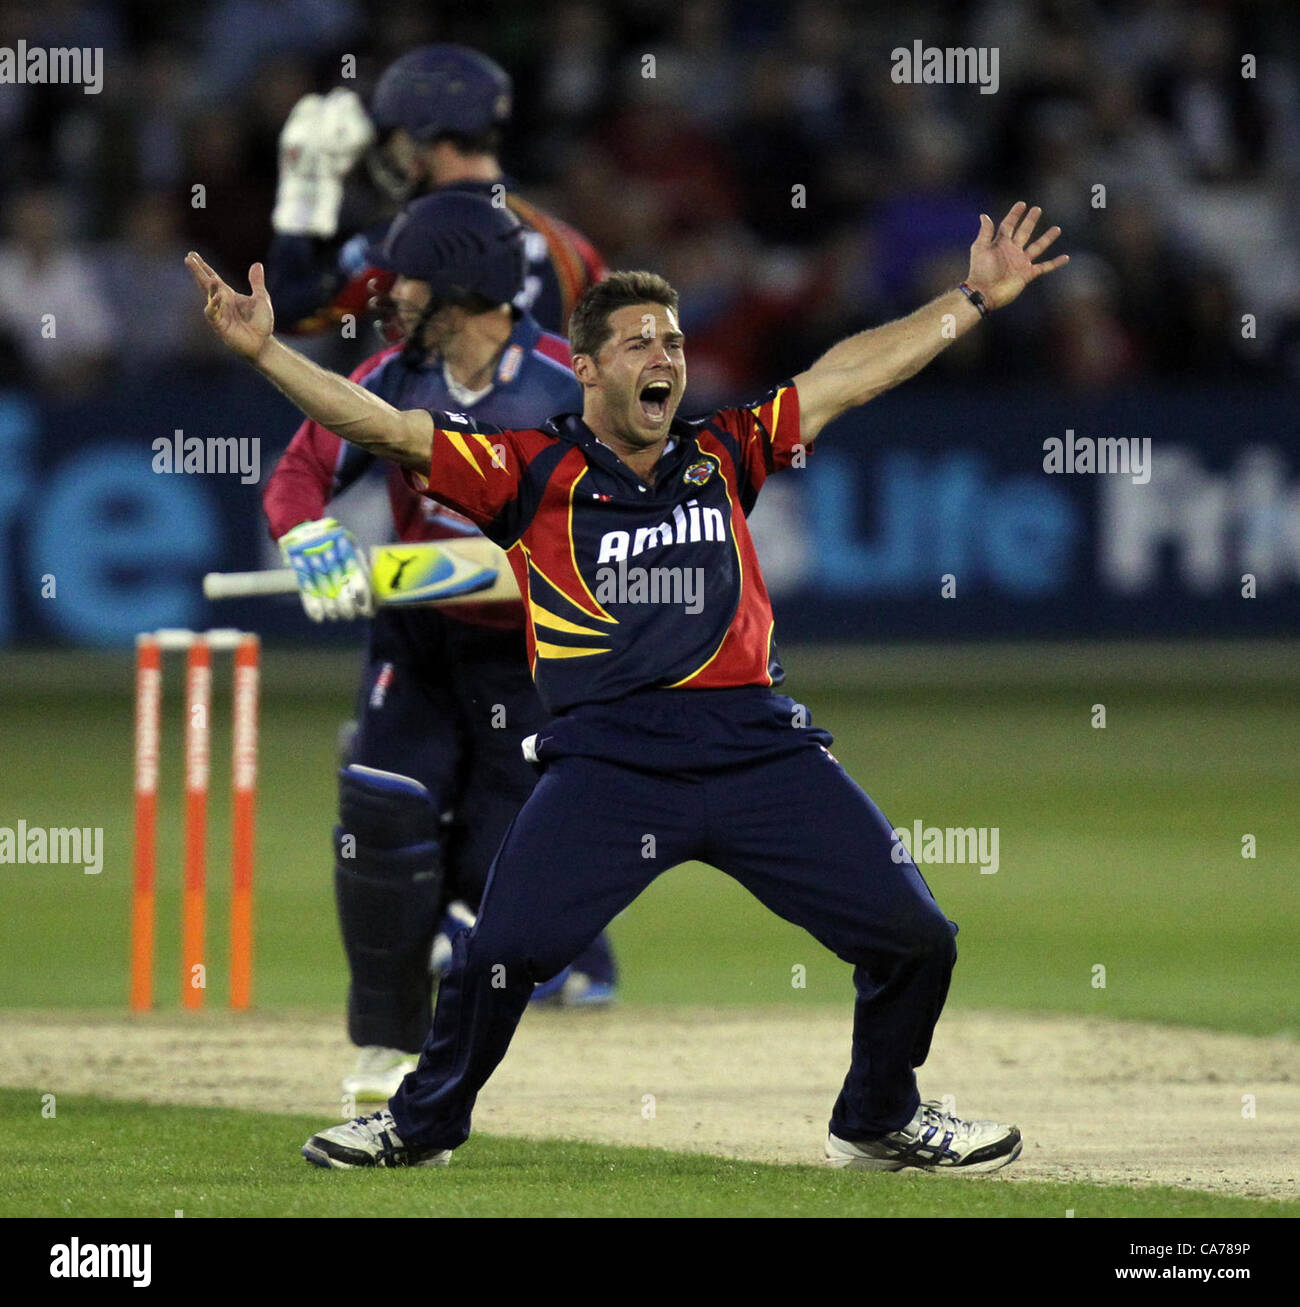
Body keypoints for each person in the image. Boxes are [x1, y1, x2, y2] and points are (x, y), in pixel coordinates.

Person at [186, 199, 1068, 1173]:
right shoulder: (527, 473)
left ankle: (877, 1117)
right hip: (609, 763)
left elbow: (844, 379)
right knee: (501, 957)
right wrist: (267, 357)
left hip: (758, 750)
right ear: (591, 366)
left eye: (675, 340)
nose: (664, 356)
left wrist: (971, 300)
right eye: (638, 341)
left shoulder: (725, 451)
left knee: (918, 939)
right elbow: (391, 428)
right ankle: (421, 1123)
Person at [264, 189, 618, 1102]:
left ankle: (468, 1042)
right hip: (415, 646)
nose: (393, 294)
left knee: (498, 868)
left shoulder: (565, 386)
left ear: (462, 285)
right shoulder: (391, 375)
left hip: (535, 659)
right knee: (382, 816)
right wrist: (308, 536)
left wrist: (495, 565)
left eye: (411, 278)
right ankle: (383, 1048)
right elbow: (303, 470)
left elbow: (610, 533)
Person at [267, 43, 606, 336]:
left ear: (420, 135)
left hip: (436, 411)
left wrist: (303, 197)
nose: (388, 151)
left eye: (393, 136)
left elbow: (283, 314)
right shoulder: (572, 248)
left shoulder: (403, 240)